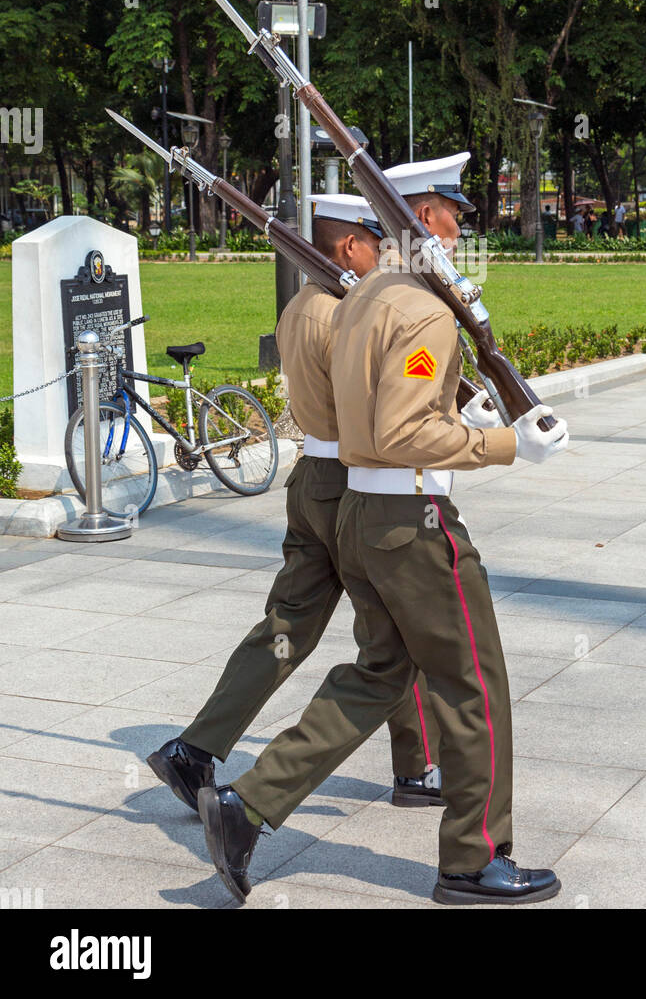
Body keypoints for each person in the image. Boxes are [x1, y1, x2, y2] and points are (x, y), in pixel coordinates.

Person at [198, 153, 570, 906]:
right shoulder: (424, 309)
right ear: (424, 215)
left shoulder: (363, 296)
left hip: (364, 514)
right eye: (454, 212)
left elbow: (379, 413)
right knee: (474, 687)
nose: (463, 227)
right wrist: (508, 445)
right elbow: (403, 433)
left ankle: (247, 804)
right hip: (415, 522)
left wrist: (457, 413)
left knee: (379, 674)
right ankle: (474, 860)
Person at [147, 193, 445, 820]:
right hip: (351, 483)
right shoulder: (346, 314)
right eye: (377, 240)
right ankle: (413, 770)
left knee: (287, 626)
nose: (386, 252)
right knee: (395, 630)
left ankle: (195, 747)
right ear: (349, 246)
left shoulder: (303, 307)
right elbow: (381, 411)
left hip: (312, 476)